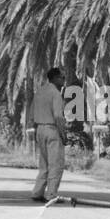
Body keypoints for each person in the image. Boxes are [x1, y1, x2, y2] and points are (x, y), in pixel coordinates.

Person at [30, 67, 67, 202]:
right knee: (55, 164)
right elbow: (58, 116)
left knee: (44, 164)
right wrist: (63, 134)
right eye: (62, 77)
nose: (64, 80)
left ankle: (37, 192)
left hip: (40, 129)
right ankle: (51, 194)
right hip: (52, 129)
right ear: (55, 78)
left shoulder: (39, 91)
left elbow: (32, 113)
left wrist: (35, 131)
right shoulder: (55, 93)